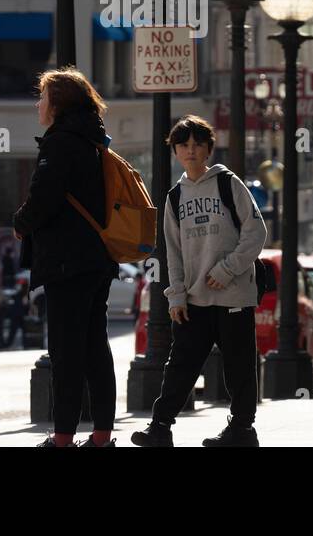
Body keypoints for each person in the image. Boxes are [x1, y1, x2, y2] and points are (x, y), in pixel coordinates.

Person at [132, 116, 268, 447]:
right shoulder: (174, 198)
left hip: (233, 293)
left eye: (197, 144)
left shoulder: (228, 184)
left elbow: (256, 232)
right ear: (175, 151)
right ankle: (160, 427)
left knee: (238, 365)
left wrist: (227, 269)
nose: (190, 151)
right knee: (181, 365)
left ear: (208, 148)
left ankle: (242, 430)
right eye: (183, 145)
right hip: (195, 298)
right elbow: (172, 252)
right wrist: (175, 296)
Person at [12, 68, 118, 448]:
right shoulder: (93, 140)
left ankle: (62, 438)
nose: (38, 105)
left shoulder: (59, 143)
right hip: (96, 260)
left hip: (65, 263)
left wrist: (20, 222)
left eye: (42, 98)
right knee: (95, 349)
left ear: (56, 104)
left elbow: (45, 198)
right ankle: (102, 435)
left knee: (65, 354)